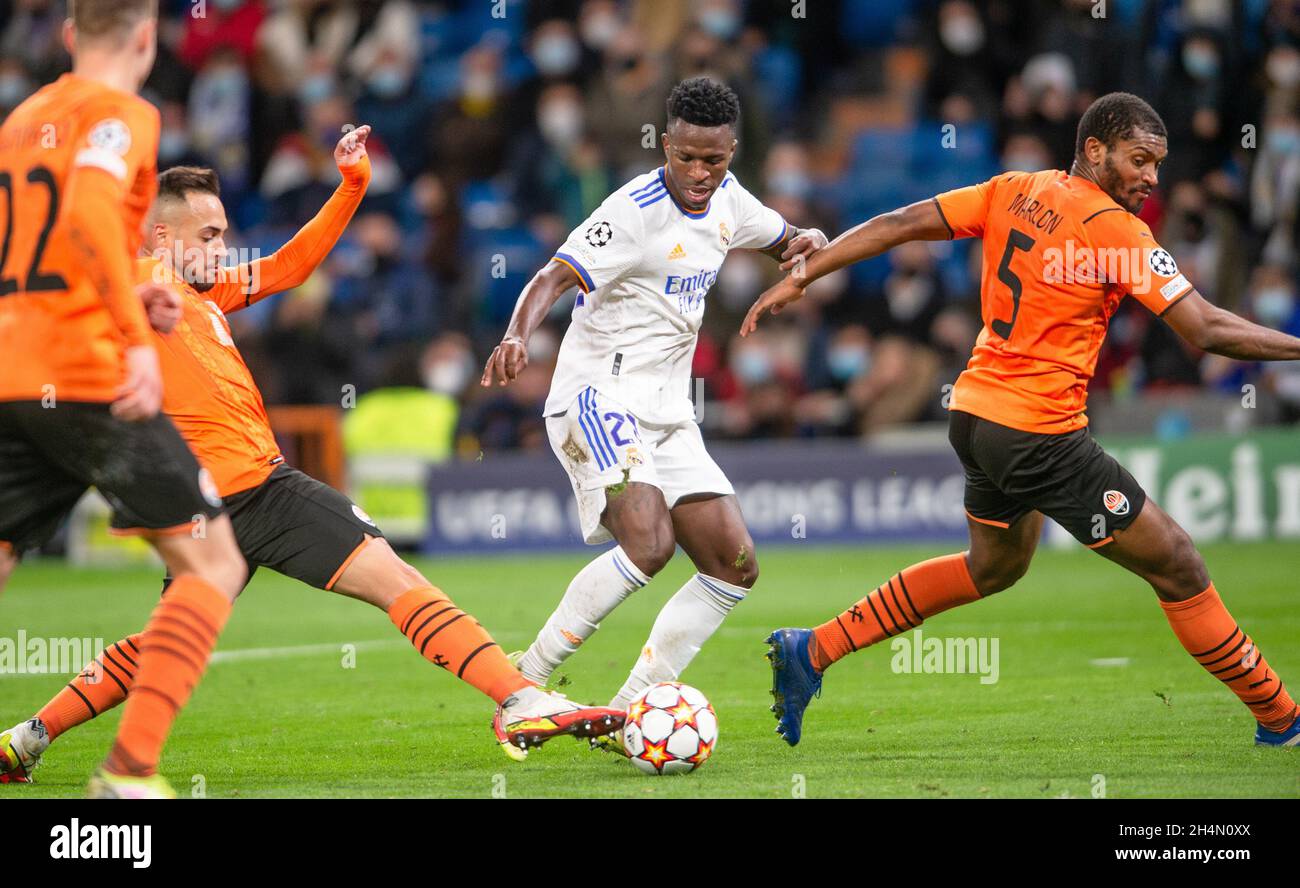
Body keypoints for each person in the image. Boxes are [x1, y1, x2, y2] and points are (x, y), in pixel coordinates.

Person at [0, 125, 623, 786]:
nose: (224, 246)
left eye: (224, 233)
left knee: (163, 641)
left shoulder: (204, 294)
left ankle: (27, 738)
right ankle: (520, 699)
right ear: (161, 238)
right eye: (208, 236)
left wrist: (351, 185)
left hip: (208, 506)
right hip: (255, 490)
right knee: (397, 580)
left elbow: (291, 265)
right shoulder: (137, 286)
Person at [748, 92, 1300, 749]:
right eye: (1140, 159)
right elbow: (1203, 328)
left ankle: (813, 651)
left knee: (995, 568)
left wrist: (808, 271)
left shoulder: (1014, 188)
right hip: (1038, 432)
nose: (1152, 176)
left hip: (978, 417)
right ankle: (1282, 718)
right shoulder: (1116, 229)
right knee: (1179, 565)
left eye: (1158, 163)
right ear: (1095, 150)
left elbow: (899, 222)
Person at [481, 76, 827, 758]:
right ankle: (523, 684)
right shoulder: (631, 211)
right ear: (666, 144)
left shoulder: (729, 199)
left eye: (715, 160)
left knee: (733, 565)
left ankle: (623, 712)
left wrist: (807, 240)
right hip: (596, 397)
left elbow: (782, 236)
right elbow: (552, 275)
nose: (699, 174)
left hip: (667, 413)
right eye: (687, 158)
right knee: (649, 544)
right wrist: (519, 334)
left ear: (732, 152)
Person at [0, 0, 251, 798]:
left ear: (70, 36)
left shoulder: (21, 121)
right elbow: (88, 218)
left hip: (11, 370)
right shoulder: (124, 116)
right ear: (147, 38)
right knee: (213, 564)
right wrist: (135, 337)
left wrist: (129, 300)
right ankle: (129, 771)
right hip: (82, 374)